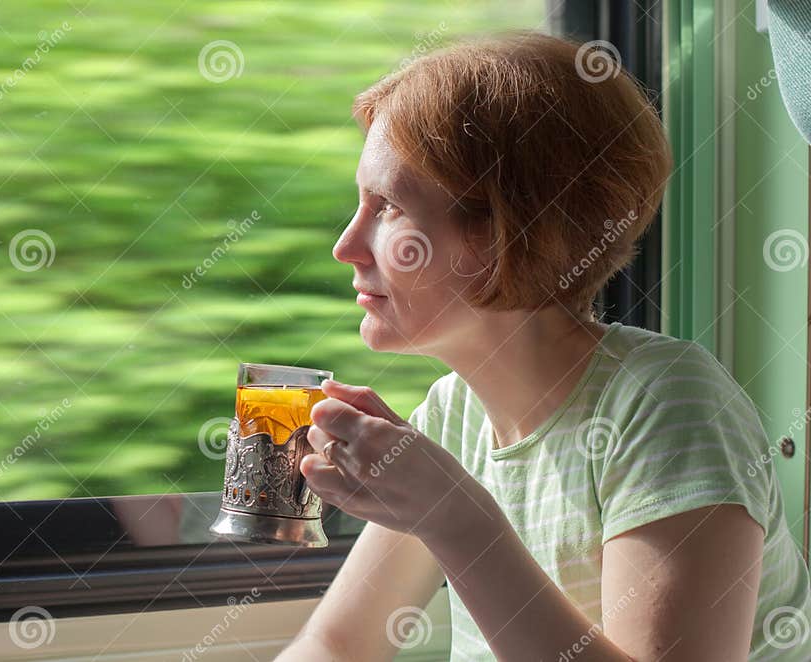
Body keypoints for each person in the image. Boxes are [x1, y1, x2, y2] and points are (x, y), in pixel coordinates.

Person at [273, 31, 811, 661]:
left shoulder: (667, 405)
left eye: (387, 206)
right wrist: (446, 509)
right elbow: (337, 644)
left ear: (507, 232)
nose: (345, 246)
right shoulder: (454, 413)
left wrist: (456, 520)